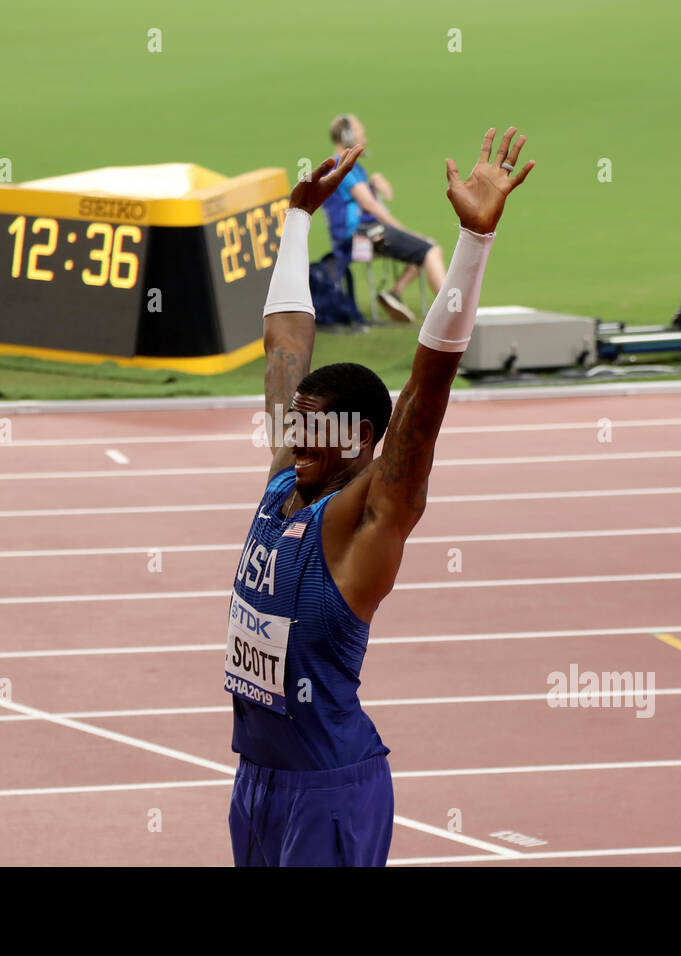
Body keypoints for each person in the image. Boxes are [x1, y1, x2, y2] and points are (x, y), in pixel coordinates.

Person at [225, 126, 535, 865]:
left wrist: (472, 242)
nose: (292, 439)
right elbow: (285, 347)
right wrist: (297, 221)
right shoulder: (288, 479)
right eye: (292, 424)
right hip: (257, 779)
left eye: (310, 429)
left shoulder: (369, 516)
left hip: (327, 789)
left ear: (362, 437)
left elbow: (427, 391)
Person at [320, 114, 447, 323]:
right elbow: (368, 205)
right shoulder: (341, 165)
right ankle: (452, 314)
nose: (366, 138)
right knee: (431, 250)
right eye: (362, 132)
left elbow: (369, 201)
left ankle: (395, 293)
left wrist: (374, 183)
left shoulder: (350, 167)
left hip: (358, 235)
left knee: (427, 245)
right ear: (348, 136)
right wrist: (403, 231)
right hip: (360, 235)